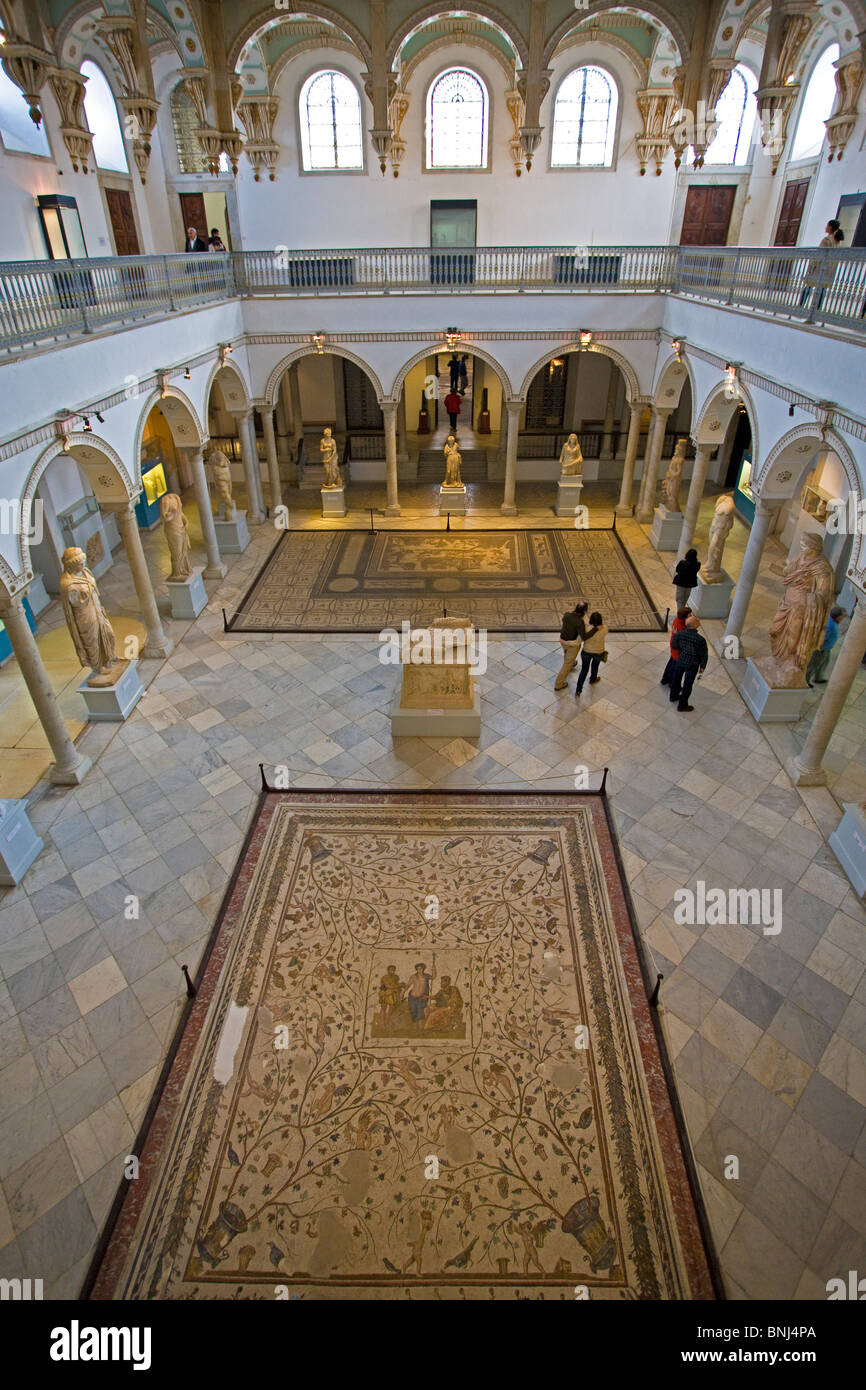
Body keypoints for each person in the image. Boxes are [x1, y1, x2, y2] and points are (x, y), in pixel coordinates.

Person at [669, 615, 708, 712]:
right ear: (694, 625)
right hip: (692, 664)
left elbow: (674, 645)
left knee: (676, 679)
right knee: (687, 685)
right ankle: (682, 705)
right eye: (697, 620)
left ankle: (673, 696)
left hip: (681, 660)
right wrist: (702, 666)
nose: (699, 621)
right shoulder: (700, 640)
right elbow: (703, 654)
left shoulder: (680, 634)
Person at [800, 220, 841, 309]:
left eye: (827, 225)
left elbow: (819, 255)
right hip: (830, 269)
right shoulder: (837, 241)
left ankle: (801, 305)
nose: (825, 227)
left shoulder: (827, 240)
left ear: (830, 227)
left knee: (809, 285)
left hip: (820, 267)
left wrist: (811, 266)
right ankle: (817, 308)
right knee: (822, 288)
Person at [806, 605, 846, 686]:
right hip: (821, 650)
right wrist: (820, 648)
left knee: (824, 663)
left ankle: (818, 678)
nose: (842, 619)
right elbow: (822, 638)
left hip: (827, 649)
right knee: (813, 665)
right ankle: (805, 681)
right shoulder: (830, 626)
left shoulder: (833, 622)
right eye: (842, 617)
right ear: (837, 617)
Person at [554, 601, 589, 690]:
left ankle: (572, 662)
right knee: (566, 665)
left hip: (563, 640)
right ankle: (558, 684)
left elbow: (565, 622)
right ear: (584, 612)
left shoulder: (567, 615)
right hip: (571, 643)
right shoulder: (579, 622)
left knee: (566, 653)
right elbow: (583, 636)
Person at [575, 610, 608, 696]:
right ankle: (593, 679)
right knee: (595, 666)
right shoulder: (605, 628)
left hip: (587, 651)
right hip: (599, 651)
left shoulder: (587, 628)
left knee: (584, 669)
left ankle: (578, 689)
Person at [661, 606, 691, 687]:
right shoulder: (681, 626)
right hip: (678, 650)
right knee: (675, 667)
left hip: (674, 648)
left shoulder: (678, 620)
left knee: (671, 663)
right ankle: (671, 682)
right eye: (689, 615)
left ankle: (665, 679)